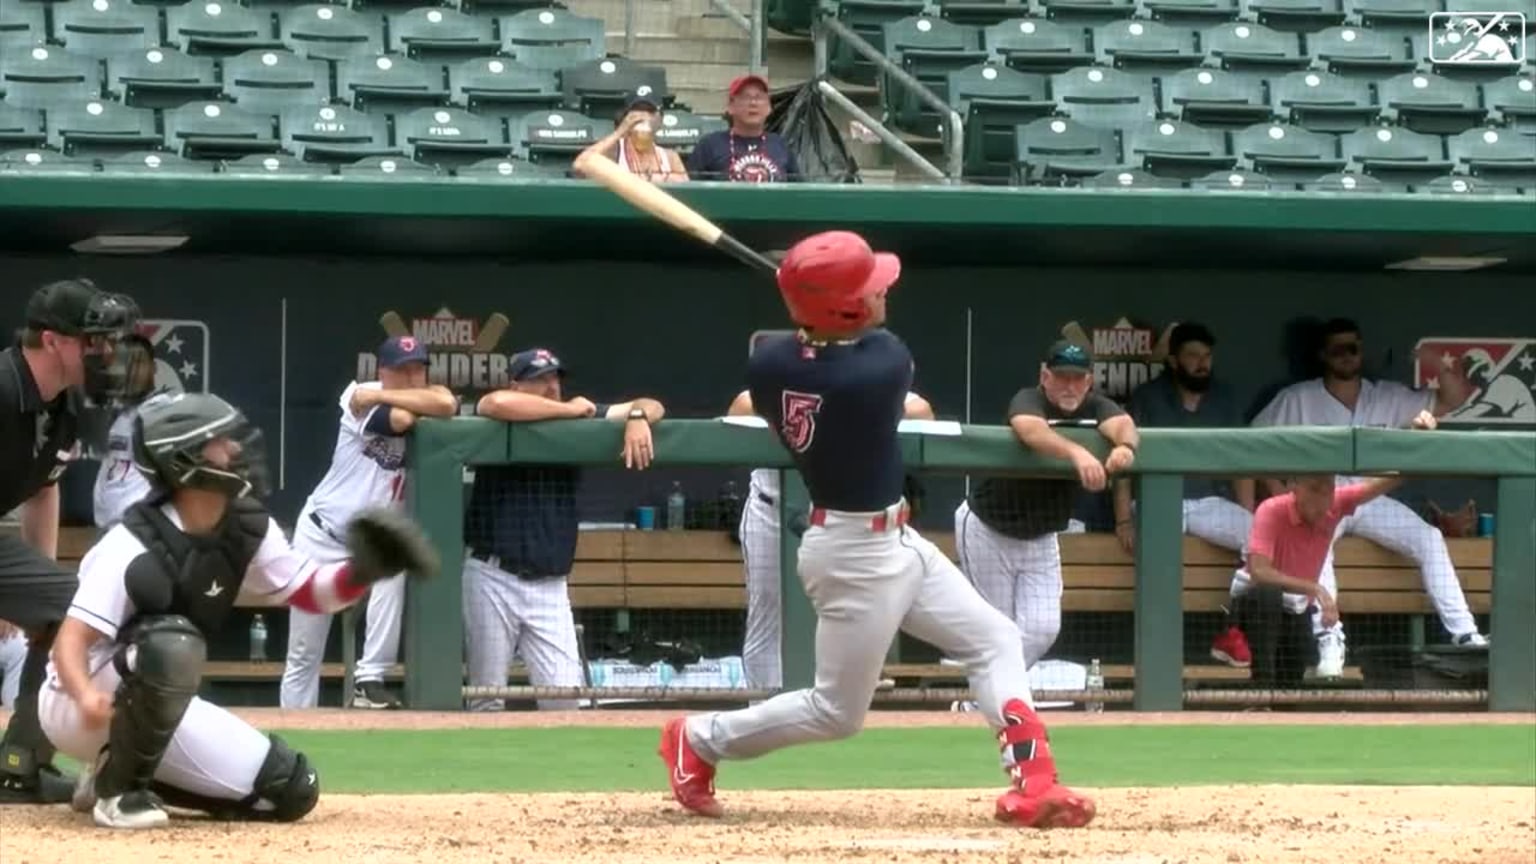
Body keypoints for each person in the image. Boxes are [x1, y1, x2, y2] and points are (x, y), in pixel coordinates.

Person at [659, 231, 1094, 828]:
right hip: (854, 553)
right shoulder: (882, 366)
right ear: (847, 311)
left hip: (893, 539)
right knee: (837, 712)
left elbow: (804, 343)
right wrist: (815, 306)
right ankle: (699, 738)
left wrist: (809, 302)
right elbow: (853, 344)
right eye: (870, 289)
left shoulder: (770, 363)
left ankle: (1036, 780)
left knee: (996, 639)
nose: (884, 290)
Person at [39, 391, 438, 829]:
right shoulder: (130, 544)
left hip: (152, 702)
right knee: (171, 645)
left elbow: (310, 592)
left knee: (290, 789)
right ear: (184, 457)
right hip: (77, 704)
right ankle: (120, 793)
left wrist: (363, 571)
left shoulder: (246, 525)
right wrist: (85, 698)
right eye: (220, 441)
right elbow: (69, 642)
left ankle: (112, 771)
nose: (235, 449)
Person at [1249, 318, 1486, 679]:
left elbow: (1452, 399)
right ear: (1323, 355)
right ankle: (1330, 639)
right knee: (1319, 549)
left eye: (1353, 347)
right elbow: (1248, 445)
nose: (1347, 355)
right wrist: (1283, 497)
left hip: (1367, 494)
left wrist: (1435, 361)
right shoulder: (1298, 398)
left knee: (1429, 537)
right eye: (1338, 349)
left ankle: (1465, 633)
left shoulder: (1387, 396)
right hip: (1321, 497)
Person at [0, 278, 140, 805]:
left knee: (74, 612)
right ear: (53, 341)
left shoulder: (62, 407)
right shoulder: (2, 387)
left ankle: (20, 766)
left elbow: (41, 493)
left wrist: (32, 604)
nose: (104, 352)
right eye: (92, 340)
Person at [466, 348, 665, 711]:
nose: (551, 385)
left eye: (555, 377)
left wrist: (636, 416)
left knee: (565, 703)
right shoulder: (509, 414)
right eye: (540, 378)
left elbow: (652, 404)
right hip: (492, 576)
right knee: (486, 700)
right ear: (516, 383)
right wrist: (572, 411)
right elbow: (494, 403)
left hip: (550, 586)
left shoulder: (582, 416)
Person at [280, 336, 458, 710]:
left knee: (394, 568)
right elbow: (399, 420)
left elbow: (446, 402)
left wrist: (391, 396)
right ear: (382, 372)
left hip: (371, 542)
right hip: (323, 534)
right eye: (401, 369)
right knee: (303, 655)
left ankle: (369, 678)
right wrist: (389, 398)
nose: (412, 376)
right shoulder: (357, 395)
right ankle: (295, 732)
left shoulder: (384, 396)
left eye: (418, 369)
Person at [726, 385, 934, 691]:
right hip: (772, 510)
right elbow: (740, 407)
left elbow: (922, 413)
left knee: (851, 611)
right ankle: (762, 709)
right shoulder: (788, 372)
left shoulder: (862, 375)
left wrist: (855, 415)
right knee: (768, 618)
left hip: (843, 520)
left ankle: (841, 703)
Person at [954, 340, 1139, 671]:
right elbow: (1030, 430)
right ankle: (997, 701)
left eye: (1077, 378)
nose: (1070, 386)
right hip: (990, 526)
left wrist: (1125, 445)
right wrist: (1077, 452)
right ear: (1045, 376)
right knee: (999, 629)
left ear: (1089, 381)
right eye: (1062, 377)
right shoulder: (1030, 398)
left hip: (1041, 535)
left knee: (1042, 629)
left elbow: (1124, 424)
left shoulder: (1095, 406)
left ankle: (987, 692)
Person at [1236, 409, 1438, 685]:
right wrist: (1315, 588)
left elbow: (1393, 477)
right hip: (1250, 607)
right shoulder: (1271, 509)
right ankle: (1259, 694)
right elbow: (1259, 572)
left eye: (1328, 488)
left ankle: (1277, 705)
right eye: (1315, 489)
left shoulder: (1337, 503)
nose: (1324, 500)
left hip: (1295, 608)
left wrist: (1418, 436)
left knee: (1290, 681)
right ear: (1294, 487)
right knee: (1267, 597)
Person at [1116, 322, 1255, 668]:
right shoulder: (1148, 397)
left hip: (1208, 503)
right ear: (1174, 361)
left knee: (1261, 540)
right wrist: (1122, 519)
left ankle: (1232, 631)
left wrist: (1248, 515)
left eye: (1206, 356)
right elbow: (1122, 464)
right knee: (1160, 556)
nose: (1201, 363)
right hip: (1158, 500)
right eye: (1193, 356)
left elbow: (1243, 464)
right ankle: (1156, 649)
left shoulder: (1225, 398)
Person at [91, 334, 164, 531]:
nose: (131, 370)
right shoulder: (113, 413)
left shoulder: (163, 411)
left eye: (139, 362)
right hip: (107, 524)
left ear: (154, 367)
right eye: (124, 362)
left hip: (140, 528)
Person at [686, 74, 801, 182]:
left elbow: (798, 193)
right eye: (745, 97)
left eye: (759, 97)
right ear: (730, 106)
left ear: (769, 108)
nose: (753, 103)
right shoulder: (709, 145)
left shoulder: (781, 145)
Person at [574, 88, 689, 183]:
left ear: (660, 119)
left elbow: (686, 189)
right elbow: (580, 166)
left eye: (649, 111)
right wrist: (621, 131)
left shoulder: (669, 157)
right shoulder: (615, 151)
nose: (642, 116)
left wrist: (652, 178)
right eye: (636, 111)